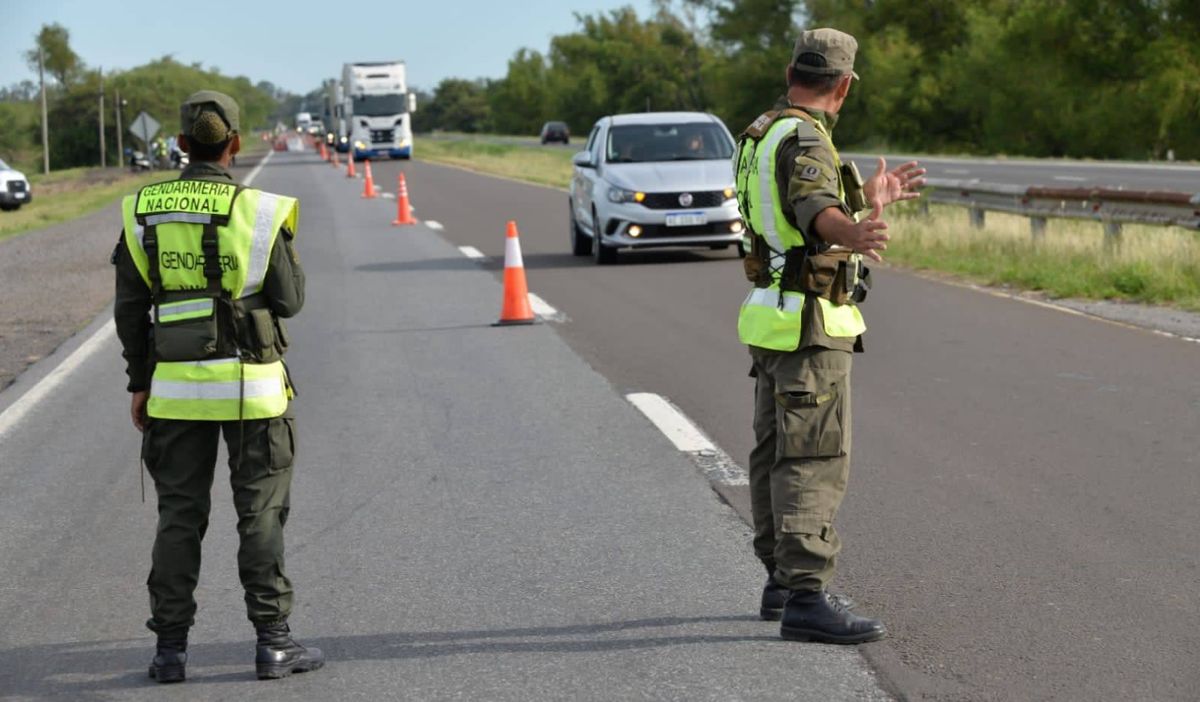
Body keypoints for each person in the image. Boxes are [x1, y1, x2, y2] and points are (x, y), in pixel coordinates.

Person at [112, 90, 324, 682]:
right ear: (235, 143)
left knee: (179, 517)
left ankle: (170, 652)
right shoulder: (257, 209)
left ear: (181, 145)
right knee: (259, 515)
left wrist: (139, 382)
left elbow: (130, 310)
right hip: (253, 392)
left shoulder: (142, 210)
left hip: (173, 392)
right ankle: (273, 644)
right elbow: (291, 300)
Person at [733, 28, 925, 644]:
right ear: (842, 86)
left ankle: (780, 582)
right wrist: (855, 230)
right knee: (812, 457)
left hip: (772, 317)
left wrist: (868, 200)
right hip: (809, 325)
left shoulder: (763, 131)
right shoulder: (808, 138)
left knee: (774, 454)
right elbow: (815, 209)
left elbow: (789, 212)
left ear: (792, 69)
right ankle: (807, 596)